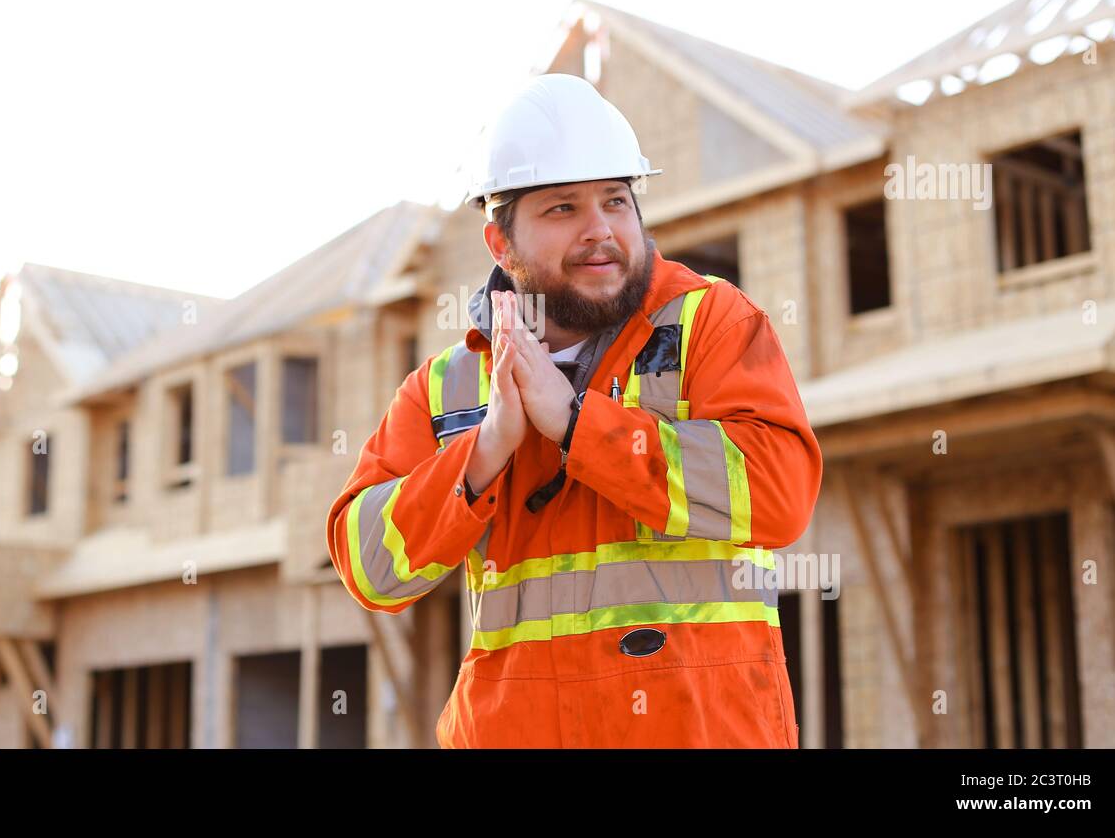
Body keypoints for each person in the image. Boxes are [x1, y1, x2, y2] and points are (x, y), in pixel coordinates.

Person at [326, 73, 823, 747]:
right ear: (500, 245)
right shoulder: (450, 385)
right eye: (563, 209)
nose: (601, 231)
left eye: (616, 202)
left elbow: (781, 494)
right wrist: (486, 449)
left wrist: (577, 425)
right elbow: (369, 571)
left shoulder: (710, 324)